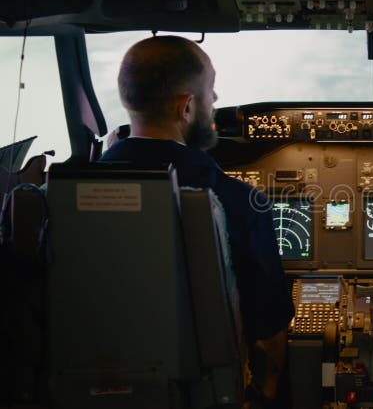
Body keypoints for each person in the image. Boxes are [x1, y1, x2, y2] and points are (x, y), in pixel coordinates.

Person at [100, 35, 295, 407]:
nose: (216, 100)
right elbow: (269, 332)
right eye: (211, 91)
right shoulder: (236, 201)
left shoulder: (59, 197)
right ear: (186, 108)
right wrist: (266, 393)